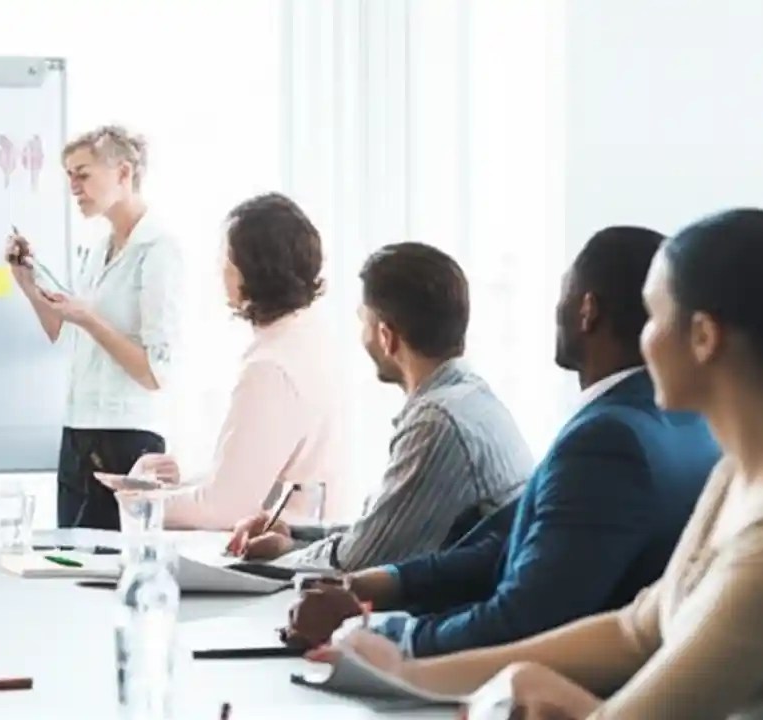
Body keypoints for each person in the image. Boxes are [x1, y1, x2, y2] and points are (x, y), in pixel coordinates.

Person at [319, 209, 763, 719]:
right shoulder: (740, 472)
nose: (643, 339)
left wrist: (533, 687)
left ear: (703, 337)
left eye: (653, 316)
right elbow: (637, 630)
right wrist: (409, 673)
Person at [285, 226, 720, 656]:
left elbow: (521, 621)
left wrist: (371, 635)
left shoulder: (607, 439)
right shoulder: (681, 422)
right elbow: (514, 545)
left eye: (563, 291)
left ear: (588, 310)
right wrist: (382, 584)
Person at [219, 241, 532, 567]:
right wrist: (294, 534)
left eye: (363, 321)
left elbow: (361, 559)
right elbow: (383, 531)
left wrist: (284, 555)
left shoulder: (437, 423)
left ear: (386, 337)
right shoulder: (472, 398)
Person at [130, 193, 346, 530]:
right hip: (309, 541)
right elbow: (252, 480)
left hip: (280, 551)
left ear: (253, 270)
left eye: (225, 258)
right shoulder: (310, 338)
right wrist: (179, 486)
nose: (219, 270)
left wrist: (137, 502)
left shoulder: (270, 368)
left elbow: (224, 509)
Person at [7, 125, 180, 530]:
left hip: (126, 436)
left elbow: (155, 372)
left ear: (124, 173)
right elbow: (65, 333)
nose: (74, 187)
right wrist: (27, 283)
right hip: (78, 429)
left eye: (82, 174)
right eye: (69, 175)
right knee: (68, 557)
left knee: (112, 558)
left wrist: (88, 317)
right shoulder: (99, 248)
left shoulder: (158, 250)